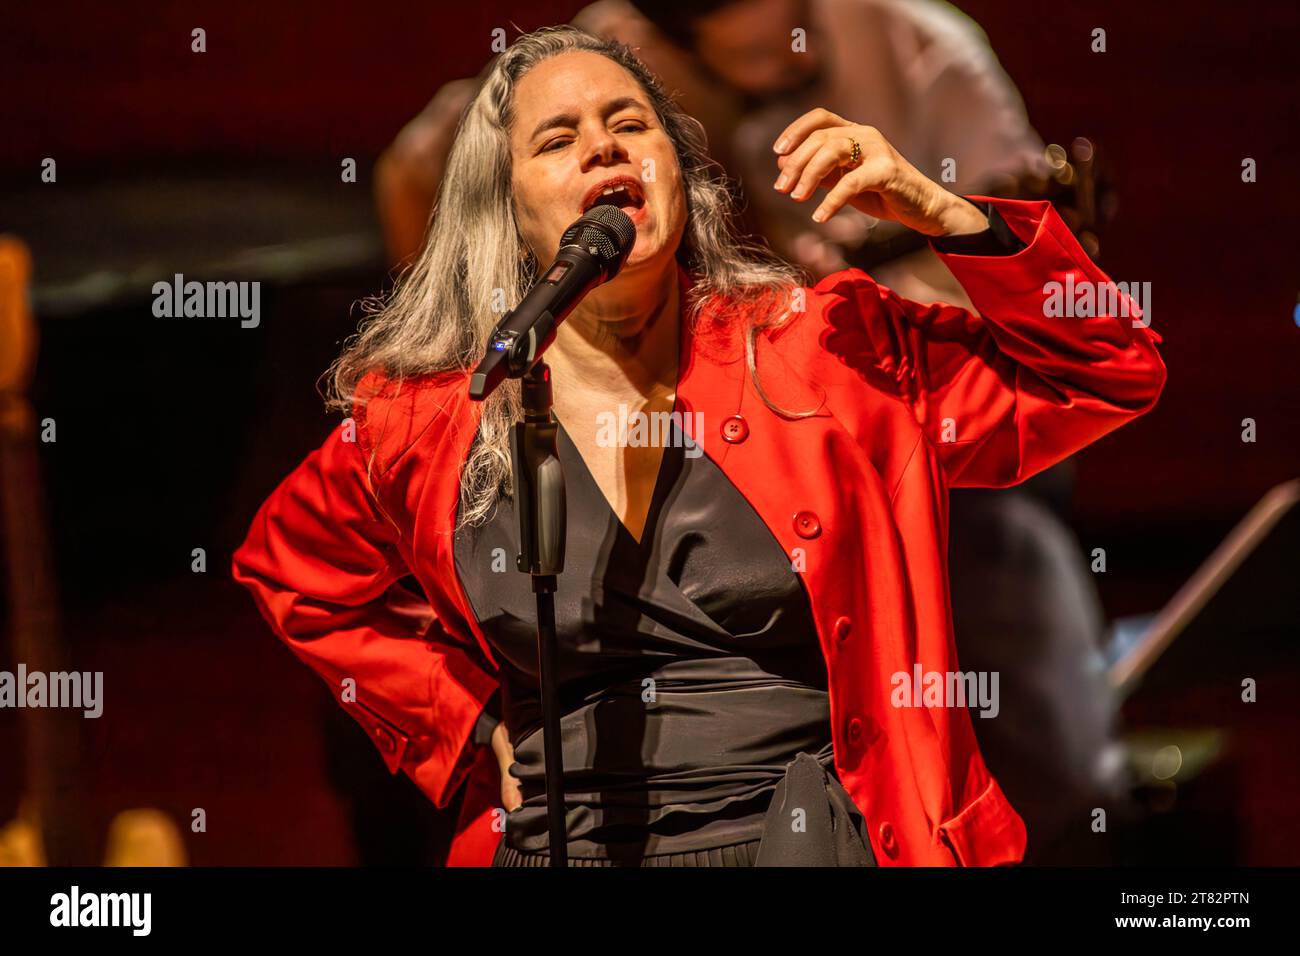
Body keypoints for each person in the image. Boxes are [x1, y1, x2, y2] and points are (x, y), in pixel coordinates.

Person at [232, 26, 1165, 867]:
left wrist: (944, 213)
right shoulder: (443, 410)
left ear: (678, 173)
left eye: (629, 124)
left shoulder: (823, 351)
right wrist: (467, 724)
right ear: (504, 213)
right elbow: (292, 566)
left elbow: (1107, 372)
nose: (603, 145)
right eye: (557, 140)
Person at [376, 0, 1049, 307]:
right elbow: (409, 171)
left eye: (801, 26)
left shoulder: (928, 48)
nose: (801, 57)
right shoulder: (623, 56)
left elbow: (1037, 256)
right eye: (757, 57)